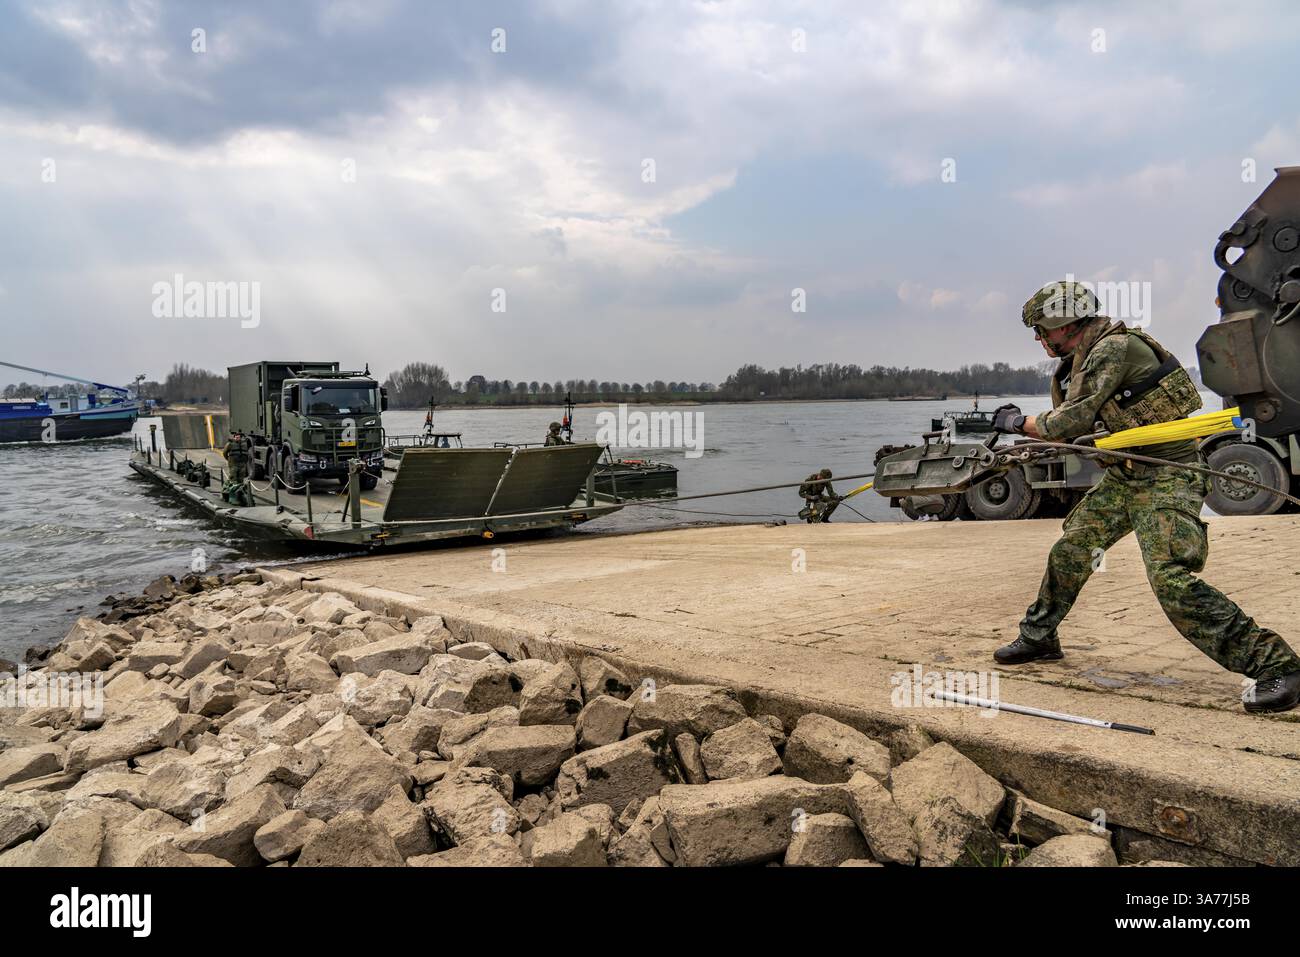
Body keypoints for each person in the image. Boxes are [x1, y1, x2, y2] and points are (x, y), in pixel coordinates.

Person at [990, 279, 1300, 713]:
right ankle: (1039, 637)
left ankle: (1276, 666)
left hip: (1166, 478)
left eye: (1043, 329)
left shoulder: (1112, 349)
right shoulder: (1082, 358)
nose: (1040, 339)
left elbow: (1070, 420)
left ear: (1064, 321)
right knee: (1072, 549)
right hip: (1125, 476)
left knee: (1171, 579)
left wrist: (1017, 422)